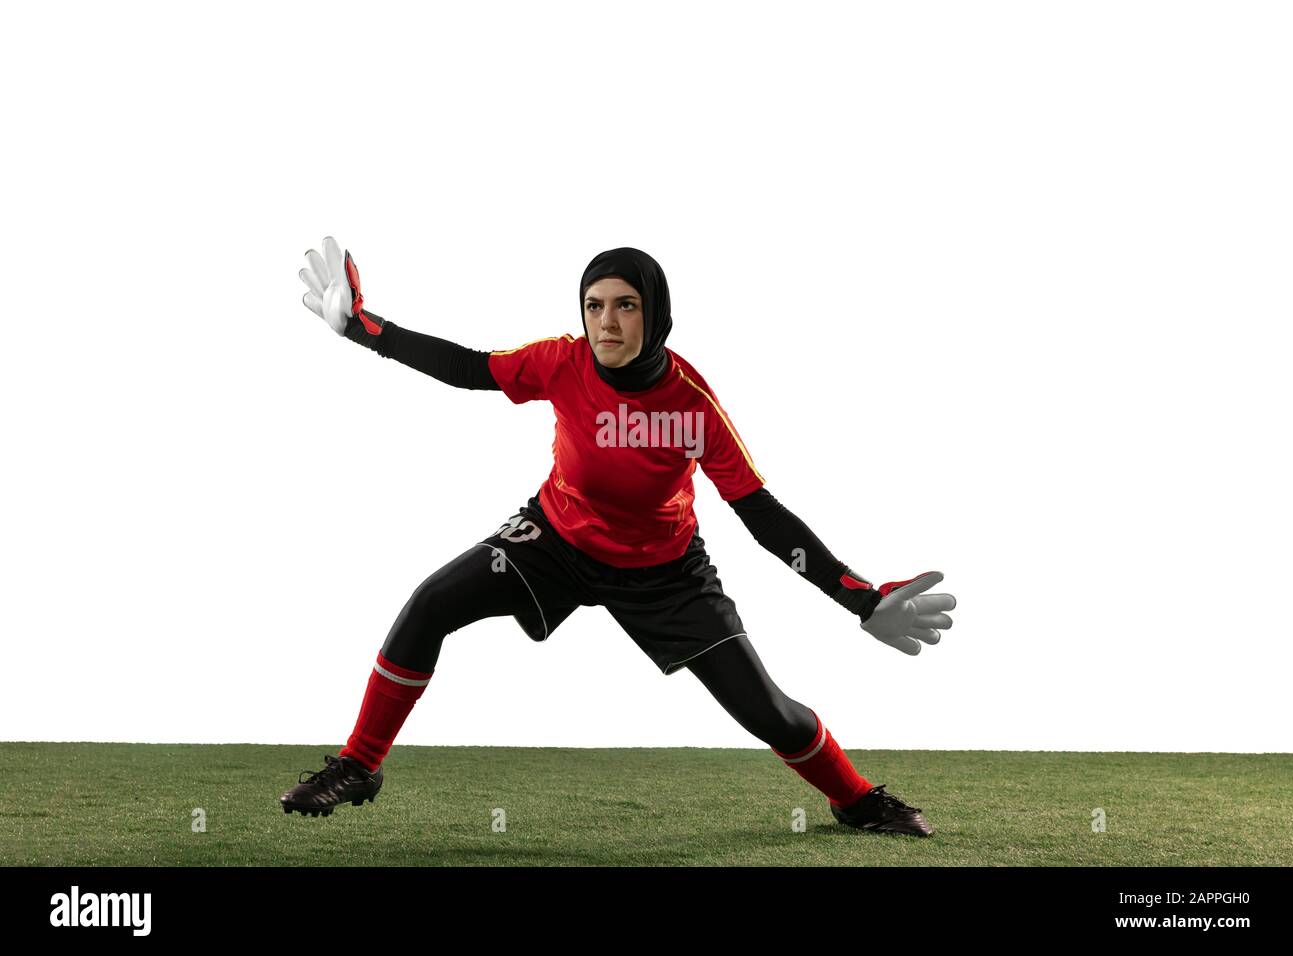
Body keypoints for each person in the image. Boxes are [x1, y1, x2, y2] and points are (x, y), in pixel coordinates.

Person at [281, 237, 958, 837]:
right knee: (430, 603)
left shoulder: (692, 404)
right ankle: (359, 765)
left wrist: (860, 599)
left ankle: (858, 802)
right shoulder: (559, 362)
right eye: (594, 305)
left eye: (626, 306)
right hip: (553, 537)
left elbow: (762, 515)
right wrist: (362, 328)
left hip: (664, 572)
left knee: (771, 713)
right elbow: (467, 367)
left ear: (656, 314)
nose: (606, 321)